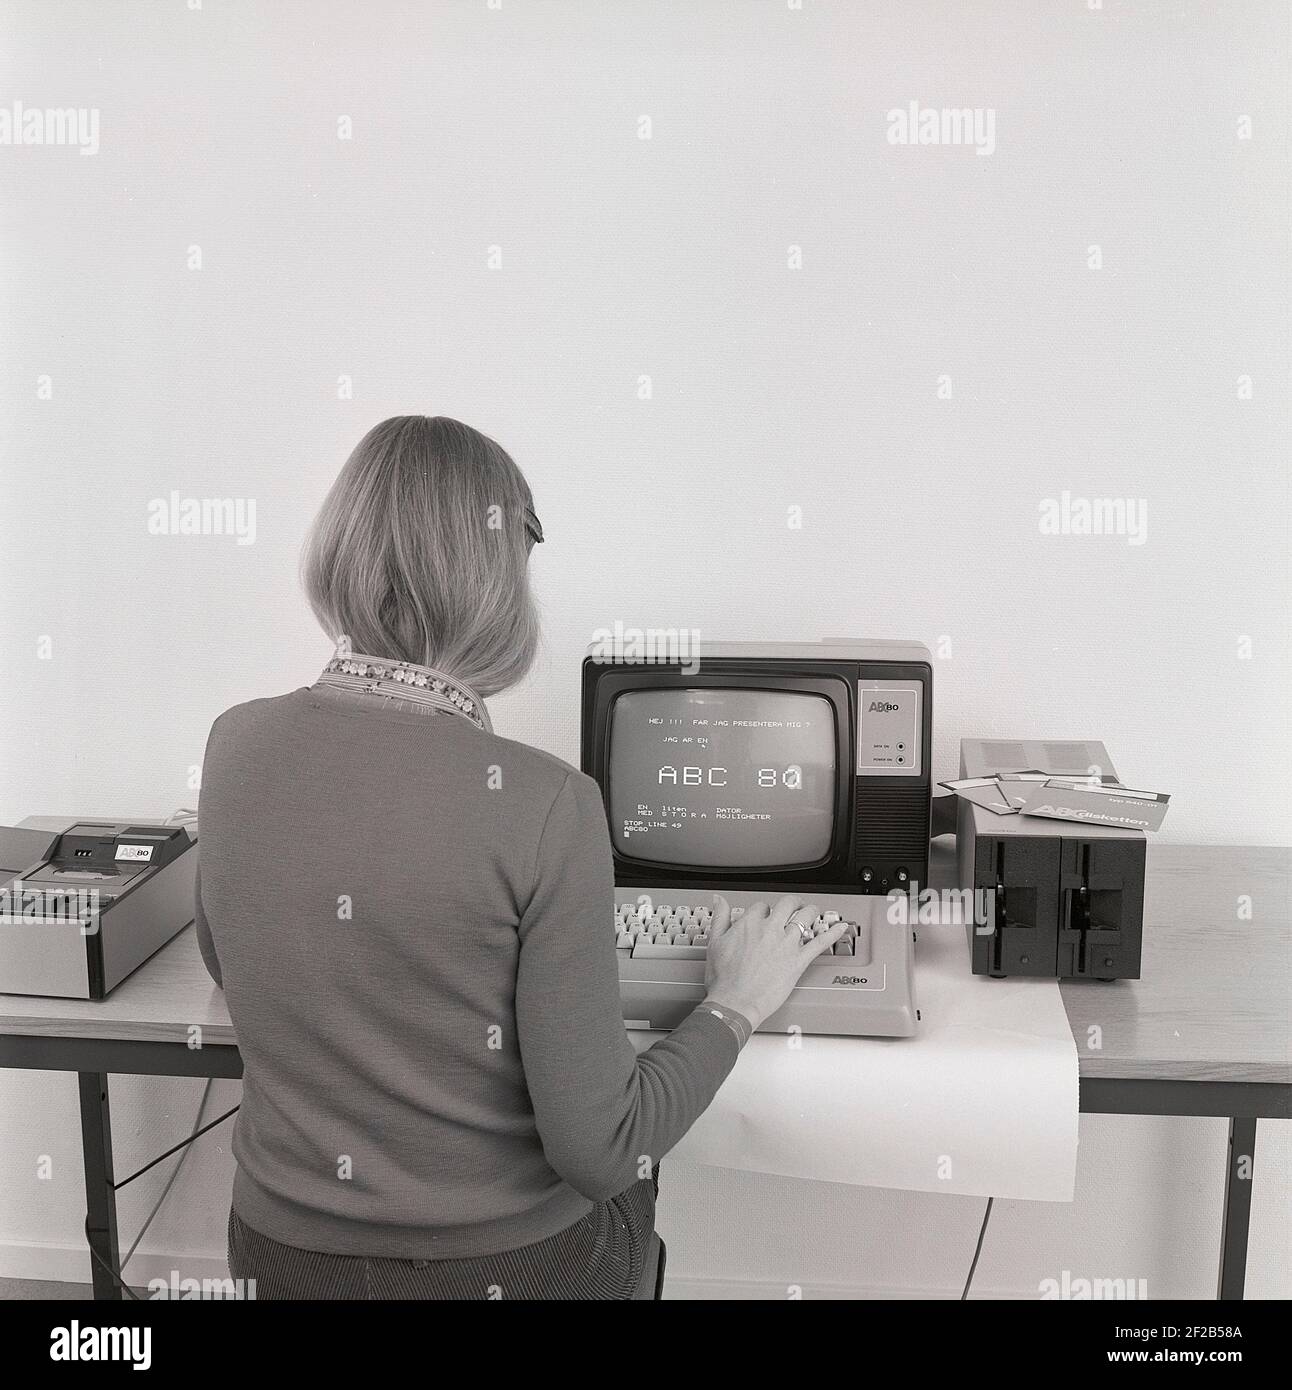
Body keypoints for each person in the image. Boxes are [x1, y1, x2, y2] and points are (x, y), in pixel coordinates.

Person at [195, 415, 846, 1299]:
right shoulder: (548, 803)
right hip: (503, 1269)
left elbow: (230, 965)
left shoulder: (234, 745)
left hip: (276, 1259)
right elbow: (604, 1151)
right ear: (502, 579)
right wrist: (737, 998)